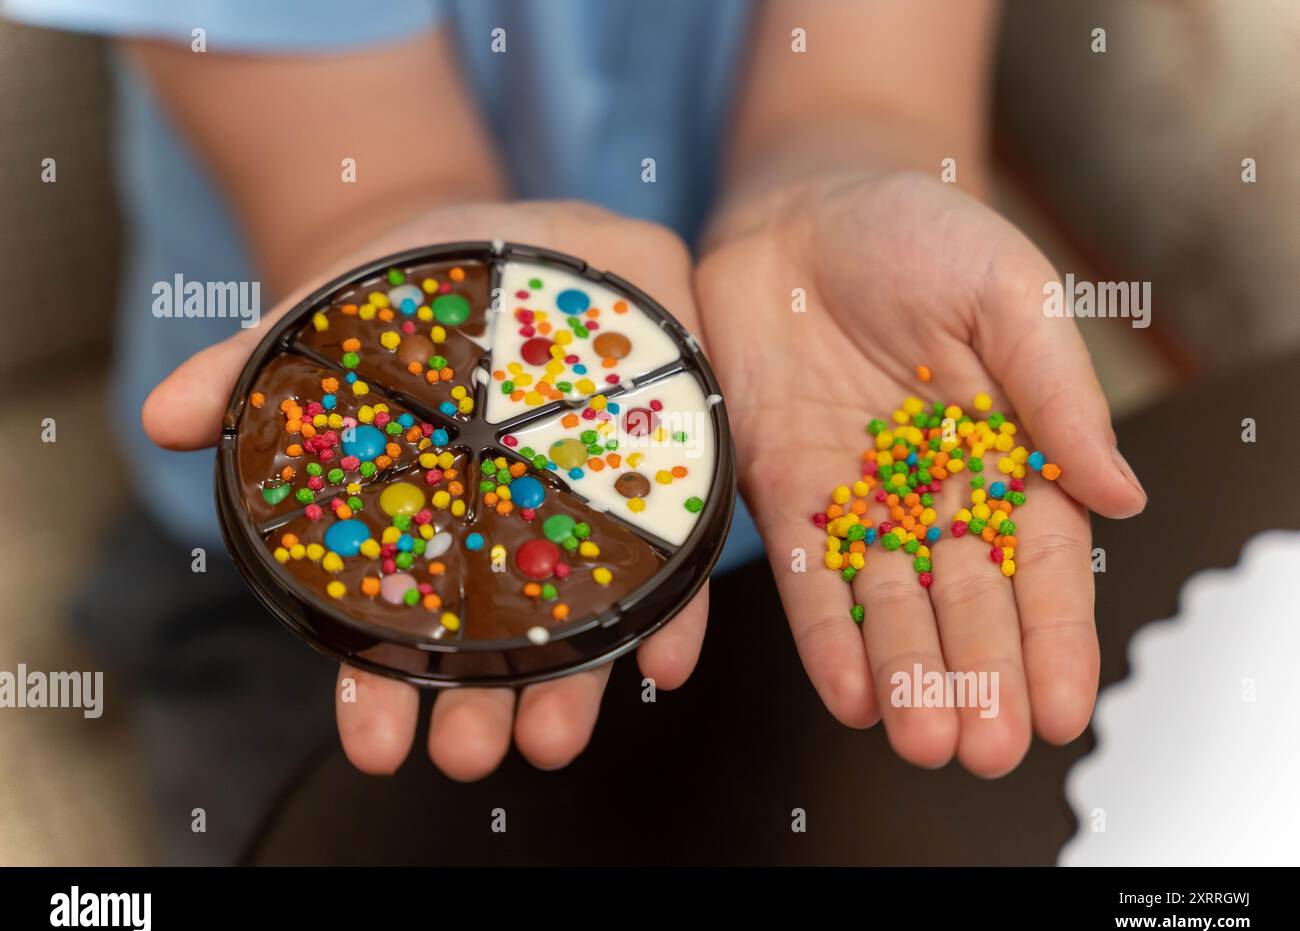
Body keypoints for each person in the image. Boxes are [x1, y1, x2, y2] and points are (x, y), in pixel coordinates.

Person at [7, 0, 1144, 784]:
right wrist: (453, 291)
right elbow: (369, 194)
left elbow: (863, 95)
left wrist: (843, 183)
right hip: (314, 551)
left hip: (795, 517)